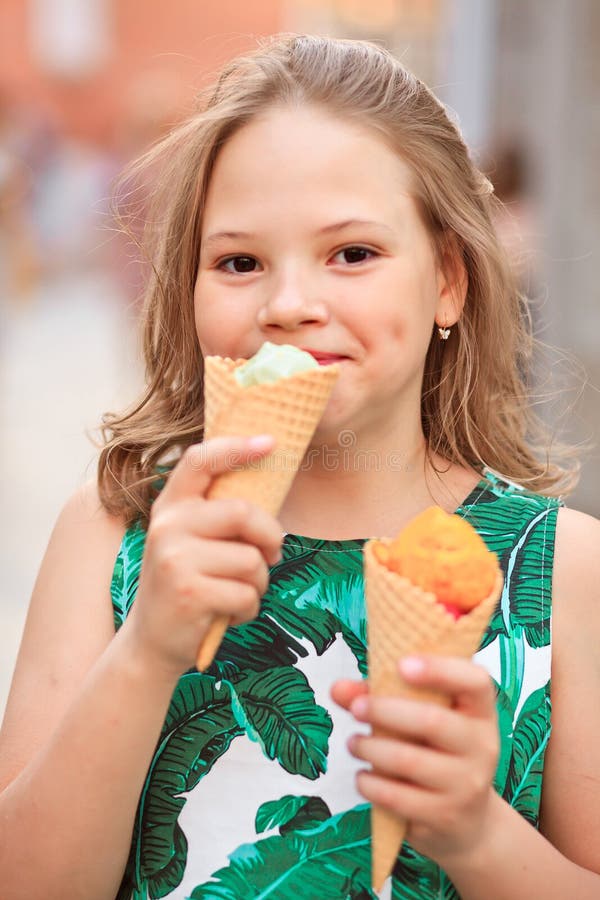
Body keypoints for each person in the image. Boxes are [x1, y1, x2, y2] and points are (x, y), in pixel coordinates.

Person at [0, 34, 598, 900]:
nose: (287, 305)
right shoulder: (112, 541)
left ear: (449, 280)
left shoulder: (562, 571)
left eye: (352, 253)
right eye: (239, 262)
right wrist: (148, 649)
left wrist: (478, 834)